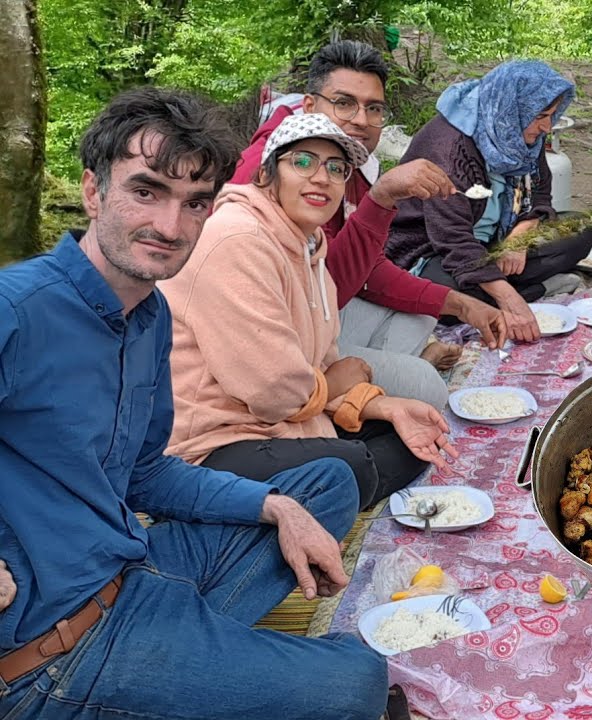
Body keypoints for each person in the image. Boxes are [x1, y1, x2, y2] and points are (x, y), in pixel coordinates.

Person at [0, 88, 387, 719]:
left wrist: (272, 505)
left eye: (195, 203)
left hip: (135, 564)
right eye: (146, 191)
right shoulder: (18, 307)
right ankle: (166, 670)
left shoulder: (146, 314)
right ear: (94, 191)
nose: (170, 226)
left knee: (323, 486)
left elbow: (145, 472)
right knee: (357, 681)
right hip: (56, 644)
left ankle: (189, 658)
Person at [162, 113, 457, 511]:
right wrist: (335, 383)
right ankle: (288, 513)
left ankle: (322, 503)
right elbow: (274, 391)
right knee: (349, 467)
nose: (321, 178)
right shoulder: (236, 238)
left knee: (408, 435)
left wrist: (381, 405)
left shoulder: (309, 246)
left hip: (284, 423)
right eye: (302, 162)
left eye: (336, 168)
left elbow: (321, 364)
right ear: (268, 174)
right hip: (210, 443)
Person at [236, 40, 506, 408]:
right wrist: (381, 199)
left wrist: (460, 305)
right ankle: (359, 385)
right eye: (344, 103)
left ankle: (369, 373)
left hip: (320, 313)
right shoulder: (269, 167)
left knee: (424, 316)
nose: (360, 120)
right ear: (310, 106)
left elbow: (357, 267)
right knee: (428, 388)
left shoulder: (352, 163)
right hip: (274, 338)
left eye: (373, 108)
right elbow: (320, 289)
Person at [385, 60, 592, 343]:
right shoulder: (450, 148)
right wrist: (511, 300)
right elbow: (452, 239)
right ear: (512, 109)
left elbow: (541, 194)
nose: (547, 126)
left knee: (580, 229)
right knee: (443, 292)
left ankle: (499, 290)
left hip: (495, 242)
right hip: (432, 250)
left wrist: (519, 238)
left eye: (552, 115)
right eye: (541, 116)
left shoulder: (519, 134)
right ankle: (531, 290)